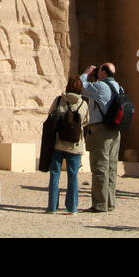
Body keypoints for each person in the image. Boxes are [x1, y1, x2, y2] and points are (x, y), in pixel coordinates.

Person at [80, 62, 124, 212]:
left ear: (104, 72)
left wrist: (87, 72)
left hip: (100, 129)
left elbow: (80, 86)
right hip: (115, 130)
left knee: (99, 166)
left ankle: (99, 204)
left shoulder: (100, 86)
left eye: (99, 70)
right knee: (111, 167)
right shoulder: (119, 87)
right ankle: (110, 202)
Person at [46, 77, 89, 213]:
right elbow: (86, 121)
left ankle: (52, 207)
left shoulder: (59, 100)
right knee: (73, 176)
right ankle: (72, 207)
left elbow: (50, 115)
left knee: (54, 175)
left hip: (58, 143)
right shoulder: (83, 103)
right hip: (75, 146)